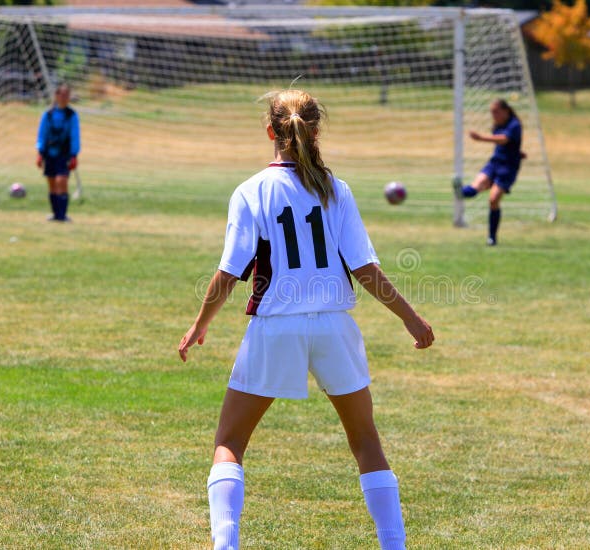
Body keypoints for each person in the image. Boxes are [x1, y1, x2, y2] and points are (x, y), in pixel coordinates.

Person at [177, 89, 434, 550]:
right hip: (335, 327)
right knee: (365, 441)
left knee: (230, 441)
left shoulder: (252, 190)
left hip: (276, 326)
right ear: (315, 130)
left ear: (270, 131)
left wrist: (201, 322)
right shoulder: (336, 189)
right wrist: (410, 319)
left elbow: (230, 271)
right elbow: (365, 269)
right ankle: (394, 545)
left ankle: (225, 544)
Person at [460, 99, 525, 246]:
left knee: (493, 199)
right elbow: (509, 145)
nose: (493, 115)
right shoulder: (498, 125)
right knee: (473, 189)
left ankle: (492, 237)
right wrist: (518, 152)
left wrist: (481, 138)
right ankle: (457, 190)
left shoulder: (515, 124)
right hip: (494, 163)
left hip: (508, 168)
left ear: (506, 110)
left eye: (496, 111)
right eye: (491, 112)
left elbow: (504, 139)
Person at [36, 83, 80, 222]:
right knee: (52, 183)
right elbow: (42, 135)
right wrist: (40, 153)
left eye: (67, 95)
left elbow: (75, 135)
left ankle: (62, 215)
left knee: (61, 181)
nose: (65, 97)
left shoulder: (71, 115)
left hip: (64, 154)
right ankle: (55, 214)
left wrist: (74, 155)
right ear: (56, 95)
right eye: (62, 94)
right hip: (49, 153)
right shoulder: (48, 115)